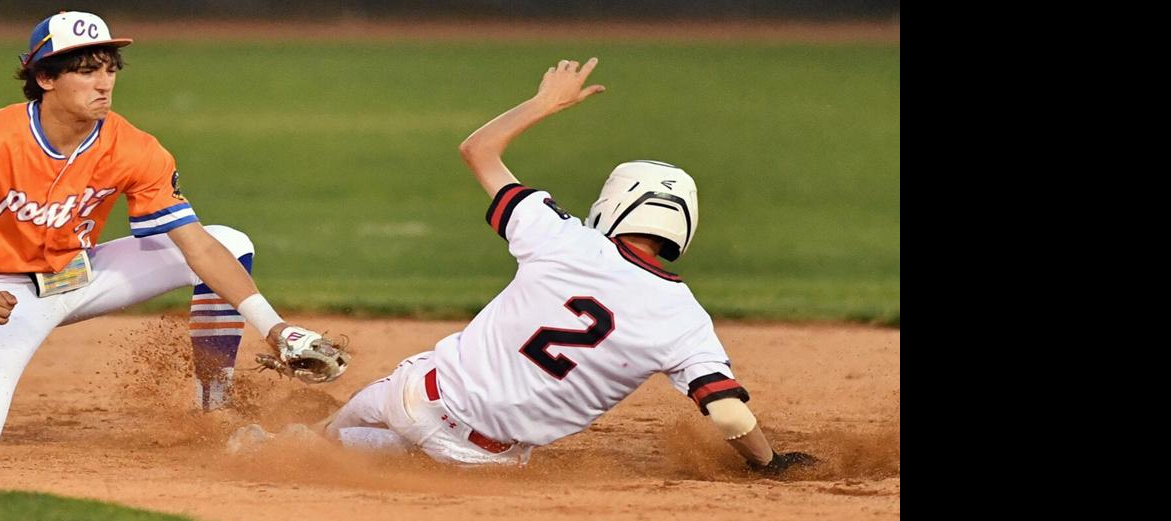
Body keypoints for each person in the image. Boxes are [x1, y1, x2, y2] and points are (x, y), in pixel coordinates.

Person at [0, 10, 347, 449]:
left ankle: (213, 401)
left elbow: (192, 242)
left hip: (78, 276)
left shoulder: (134, 147)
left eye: (109, 68)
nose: (104, 82)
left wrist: (275, 330)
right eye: (85, 69)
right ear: (44, 77)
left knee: (229, 240)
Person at [318, 58, 813, 475]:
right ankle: (337, 451)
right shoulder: (685, 320)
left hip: (412, 398)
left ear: (614, 204)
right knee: (373, 461)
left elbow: (478, 150)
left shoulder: (562, 237)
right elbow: (729, 416)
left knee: (312, 446)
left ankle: (277, 447)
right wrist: (769, 464)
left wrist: (544, 103)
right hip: (474, 458)